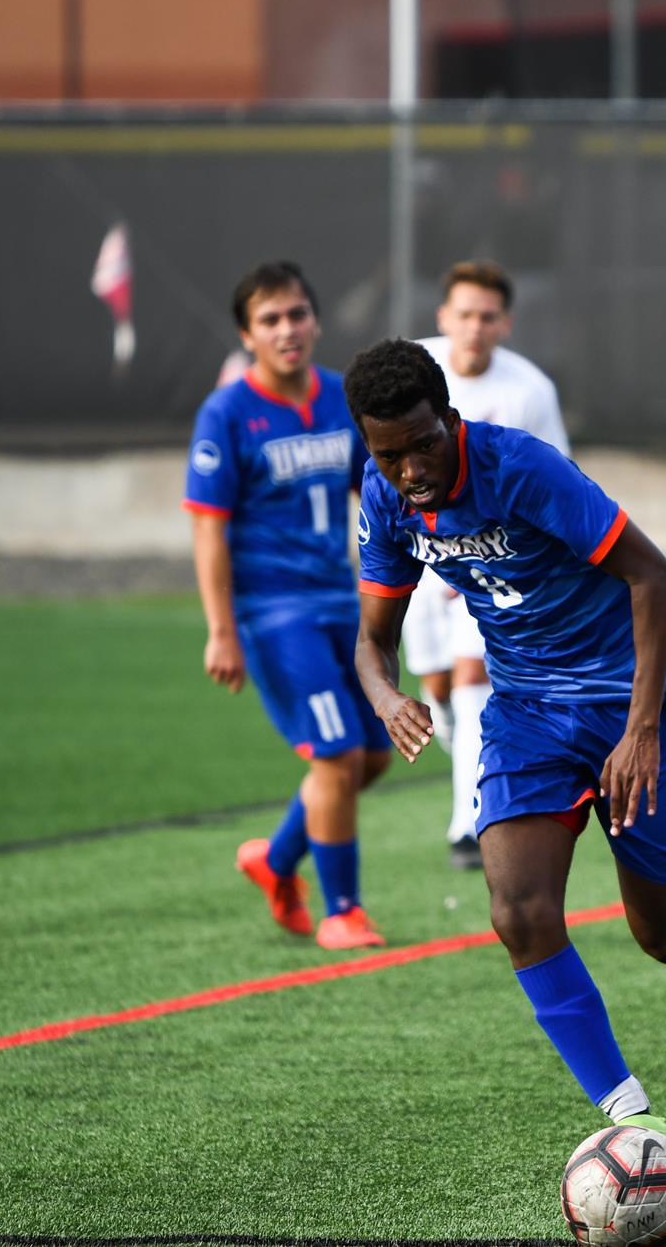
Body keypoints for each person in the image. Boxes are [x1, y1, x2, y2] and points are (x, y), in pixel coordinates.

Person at [346, 339, 666, 1138]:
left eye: (422, 444)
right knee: (518, 909)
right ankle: (628, 1114)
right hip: (525, 710)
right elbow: (373, 637)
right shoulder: (385, 503)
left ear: (450, 419)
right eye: (388, 455)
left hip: (631, 700)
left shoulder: (522, 469)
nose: (410, 468)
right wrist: (386, 696)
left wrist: (642, 728)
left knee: (660, 937)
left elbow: (652, 576)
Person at [184, 260, 392, 951]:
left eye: (297, 313)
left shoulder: (340, 397)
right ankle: (343, 910)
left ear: (317, 320)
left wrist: (434, 555)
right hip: (274, 613)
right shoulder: (226, 413)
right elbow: (208, 526)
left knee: (373, 755)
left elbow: (379, 490)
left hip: (341, 601)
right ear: (247, 334)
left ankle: (274, 862)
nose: (287, 329)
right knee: (335, 756)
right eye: (269, 319)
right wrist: (221, 630)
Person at [402, 259, 571, 870]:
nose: (475, 327)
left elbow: (555, 482)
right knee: (440, 686)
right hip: (419, 563)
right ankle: (455, 735)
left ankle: (469, 824)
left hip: (492, 564)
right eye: (464, 314)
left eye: (488, 316)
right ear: (444, 317)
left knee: (476, 675)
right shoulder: (415, 371)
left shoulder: (530, 391)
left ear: (506, 324)